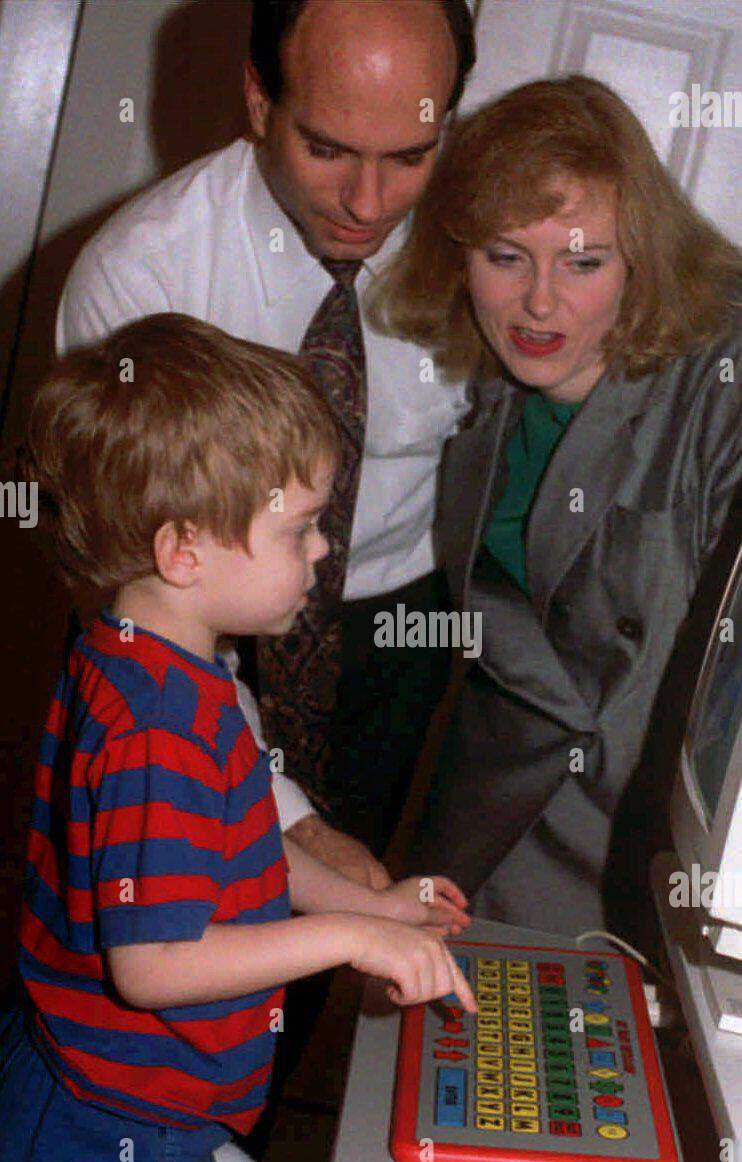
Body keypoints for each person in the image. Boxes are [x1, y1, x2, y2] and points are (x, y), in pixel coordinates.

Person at [0, 313, 474, 1162]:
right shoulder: (158, 733)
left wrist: (367, 902)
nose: (319, 555)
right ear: (184, 553)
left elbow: (247, 849)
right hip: (120, 1133)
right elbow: (154, 965)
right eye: (296, 530)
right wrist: (349, 936)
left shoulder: (154, 667)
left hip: (91, 1092)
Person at [369, 76, 742, 939]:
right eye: (504, 255)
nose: (540, 302)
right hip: (493, 818)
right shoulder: (473, 367)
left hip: (651, 855)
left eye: (583, 262)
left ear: (643, 255)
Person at [56, 0, 477, 881]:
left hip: (399, 635)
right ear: (257, 100)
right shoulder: (140, 279)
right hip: (189, 644)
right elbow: (140, 609)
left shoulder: (488, 249)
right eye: (325, 149)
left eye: (409, 157)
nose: (369, 203)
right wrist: (290, 820)